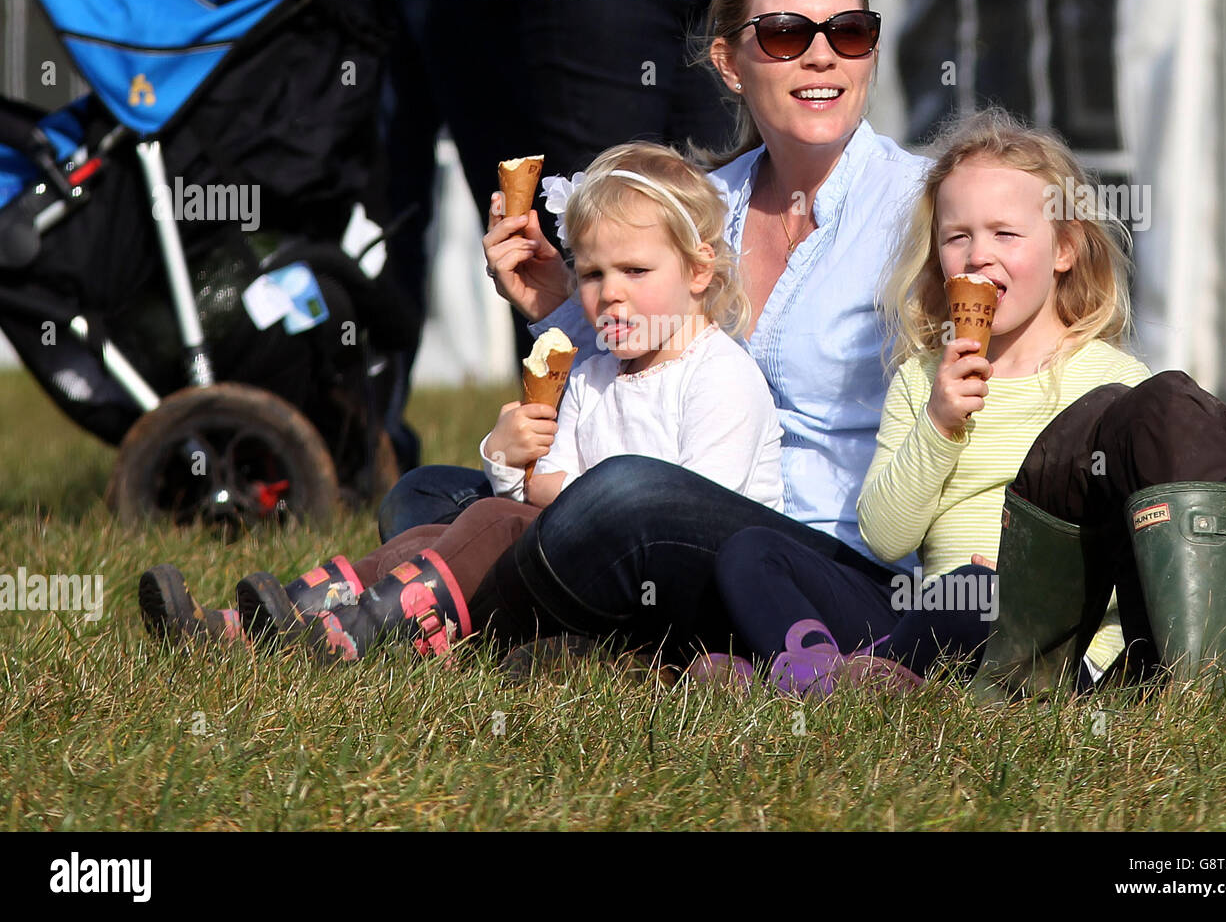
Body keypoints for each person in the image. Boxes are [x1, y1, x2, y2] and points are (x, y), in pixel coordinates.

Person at [381, 0, 933, 663]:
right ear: (728, 62)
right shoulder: (701, 202)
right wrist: (556, 300)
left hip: (830, 569)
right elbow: (630, 370)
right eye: (784, 34)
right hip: (671, 537)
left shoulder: (926, 206)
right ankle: (564, 635)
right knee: (425, 492)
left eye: (851, 30)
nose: (822, 53)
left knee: (622, 496)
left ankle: (420, 619)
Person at [138, 141, 782, 662]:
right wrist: (506, 458)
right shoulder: (590, 374)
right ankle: (271, 621)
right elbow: (536, 484)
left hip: (693, 603)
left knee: (493, 523)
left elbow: (692, 513)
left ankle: (363, 635)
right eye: (591, 274)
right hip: (594, 572)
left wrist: (542, 492)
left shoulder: (719, 374)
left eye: (636, 273)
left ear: (699, 271)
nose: (609, 295)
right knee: (434, 526)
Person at [709, 108, 1148, 694]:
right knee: (751, 551)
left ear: (1064, 249)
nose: (977, 255)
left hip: (1056, 647)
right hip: (931, 616)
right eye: (957, 236)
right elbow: (887, 537)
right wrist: (938, 426)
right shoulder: (922, 379)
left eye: (1006, 234)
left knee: (979, 594)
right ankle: (828, 677)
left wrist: (1038, 583)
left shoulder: (1113, 381)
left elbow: (1142, 548)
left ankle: (805, 675)